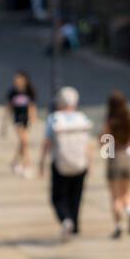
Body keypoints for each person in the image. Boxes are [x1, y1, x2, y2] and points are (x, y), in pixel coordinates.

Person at [39, 87, 92, 240]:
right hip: (80, 164)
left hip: (60, 164)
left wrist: (41, 163)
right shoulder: (81, 118)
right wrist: (90, 163)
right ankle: (75, 225)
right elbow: (88, 144)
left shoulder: (54, 119)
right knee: (76, 196)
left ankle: (65, 219)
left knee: (58, 196)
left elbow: (46, 143)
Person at [101, 91, 130, 239]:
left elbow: (105, 141)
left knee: (115, 196)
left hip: (115, 156)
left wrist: (107, 154)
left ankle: (118, 226)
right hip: (128, 156)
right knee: (127, 193)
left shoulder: (110, 122)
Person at [3, 71, 37, 177]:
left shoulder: (28, 91)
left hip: (26, 119)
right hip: (17, 118)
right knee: (24, 141)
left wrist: (33, 117)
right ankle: (27, 165)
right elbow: (9, 106)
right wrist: (5, 121)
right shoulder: (12, 92)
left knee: (23, 143)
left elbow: (32, 105)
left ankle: (14, 162)